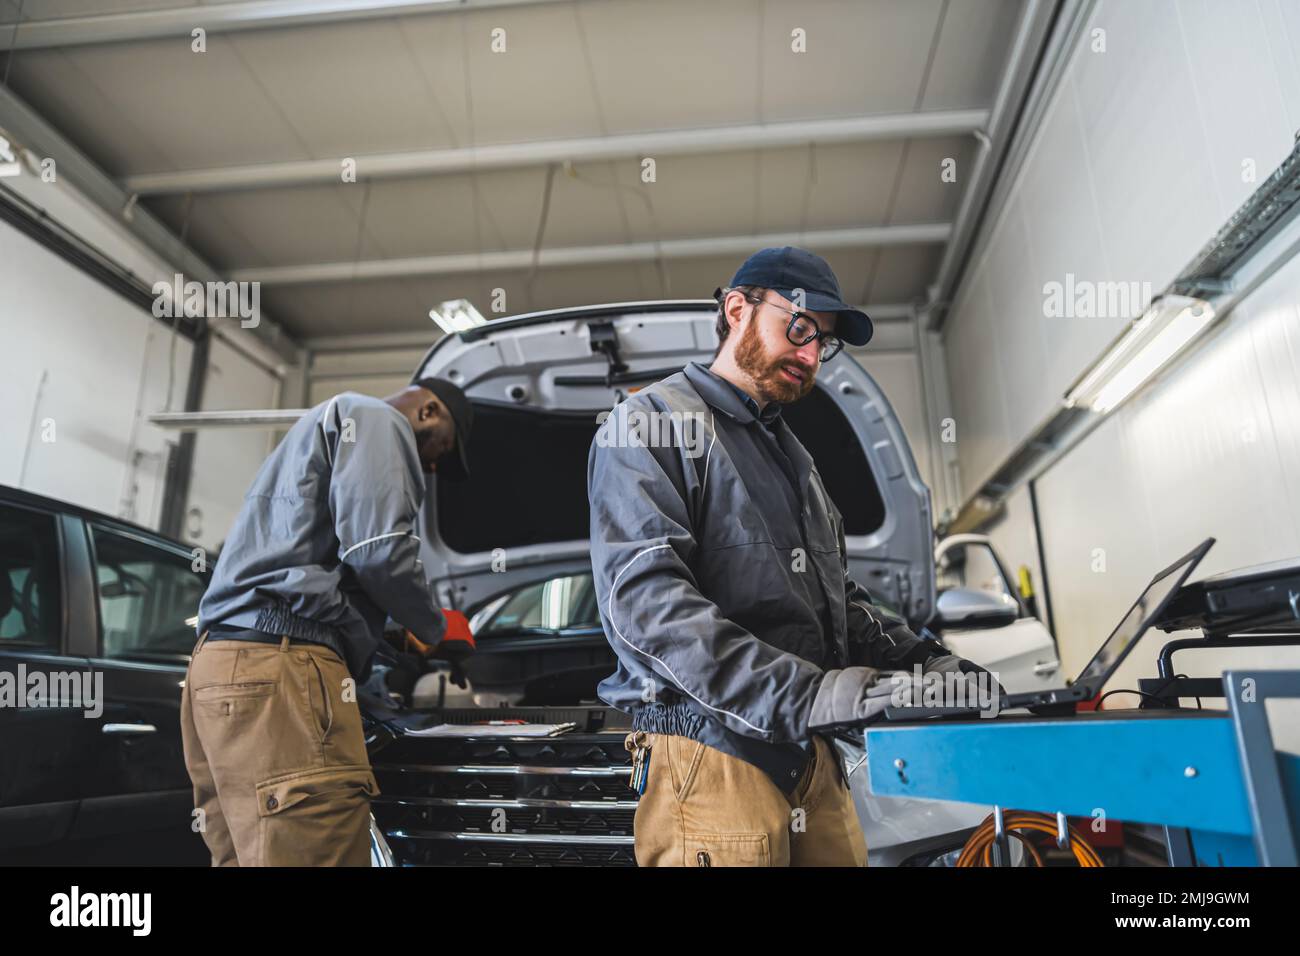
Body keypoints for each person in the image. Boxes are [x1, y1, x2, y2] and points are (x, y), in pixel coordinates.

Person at [588, 247, 997, 866]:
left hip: (810, 755)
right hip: (714, 758)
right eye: (800, 328)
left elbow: (838, 601)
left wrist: (925, 661)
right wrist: (810, 696)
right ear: (736, 309)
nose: (810, 356)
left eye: (823, 343)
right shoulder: (650, 424)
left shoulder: (792, 457)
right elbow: (648, 607)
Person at [180, 378, 473, 866]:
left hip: (220, 668)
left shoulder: (316, 431)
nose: (435, 465)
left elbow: (315, 578)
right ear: (428, 411)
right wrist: (438, 627)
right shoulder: (378, 420)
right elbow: (377, 553)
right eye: (444, 449)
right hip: (281, 673)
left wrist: (395, 635)